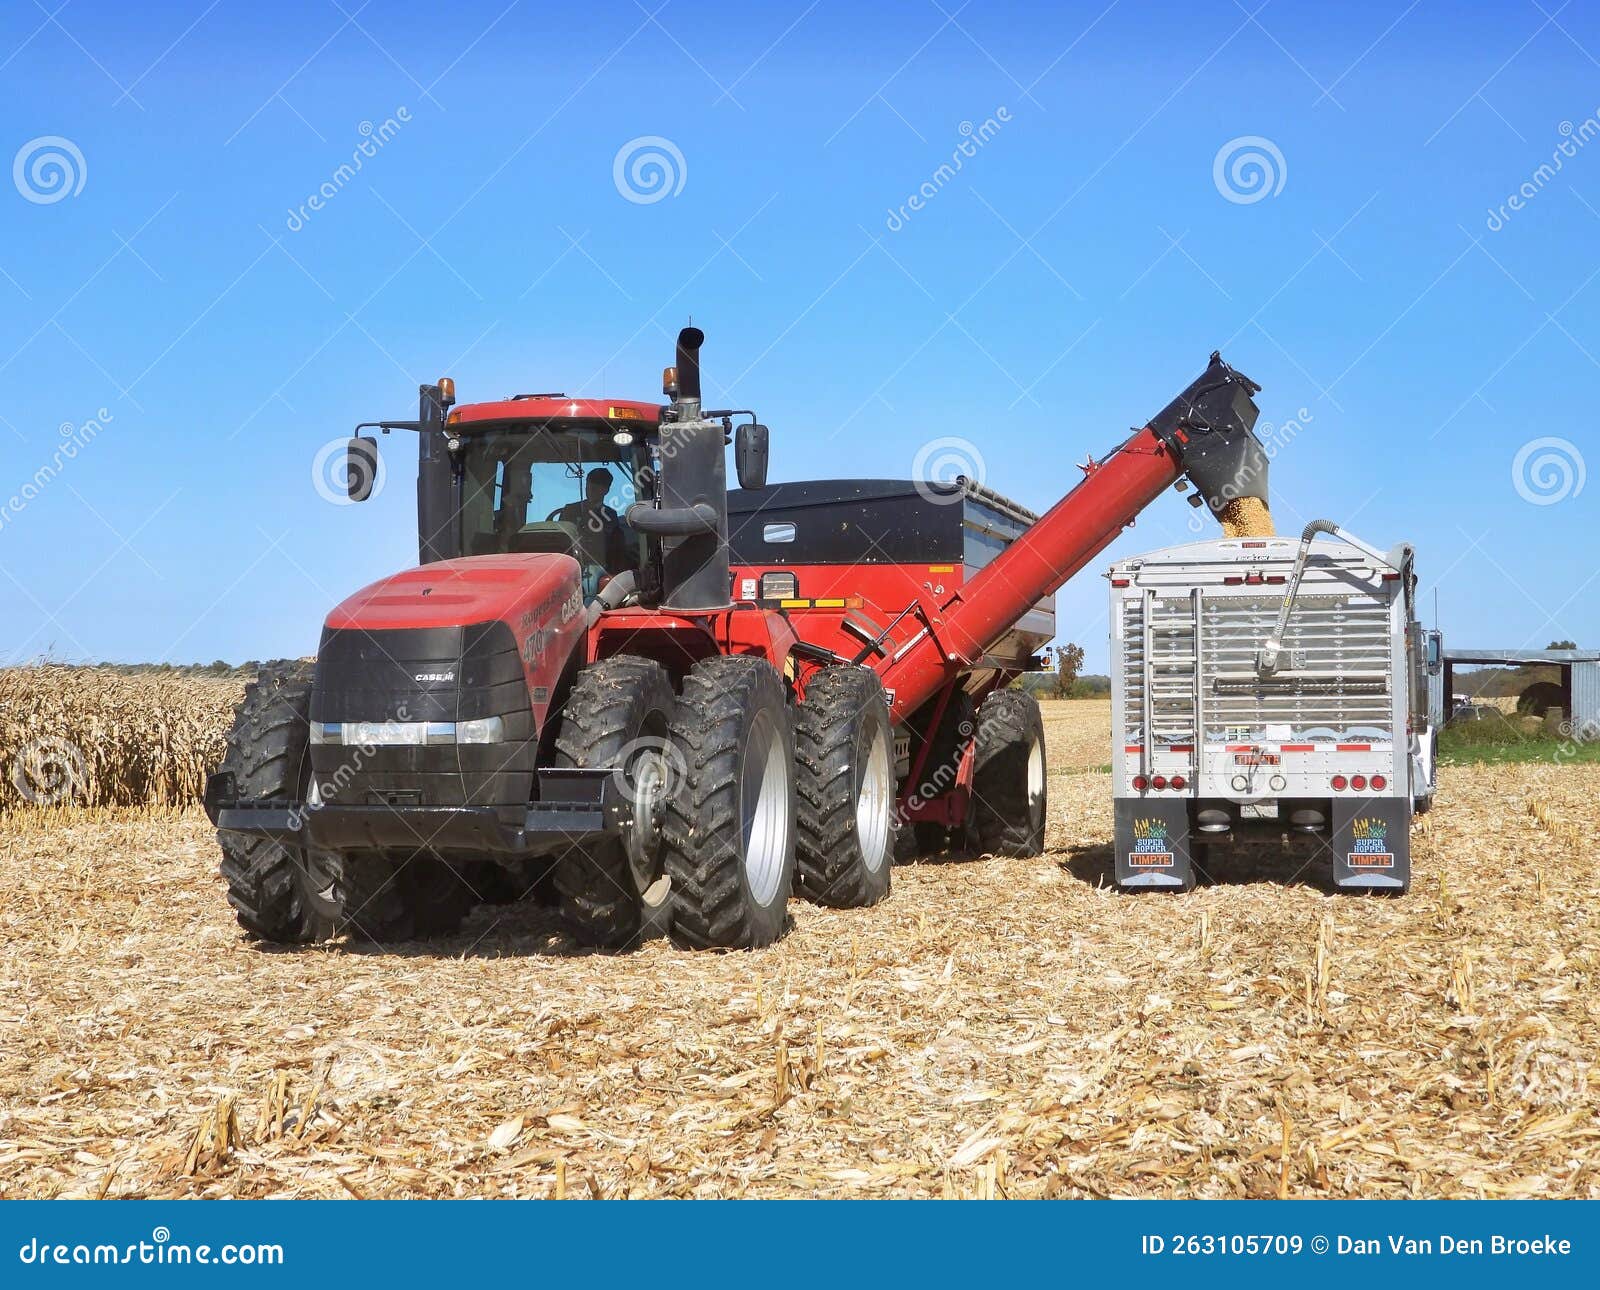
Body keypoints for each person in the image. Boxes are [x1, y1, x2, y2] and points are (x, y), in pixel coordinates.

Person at [554, 467, 628, 573]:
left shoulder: (610, 515)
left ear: (606, 491)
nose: (589, 491)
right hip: (571, 566)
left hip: (601, 568)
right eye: (588, 487)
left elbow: (617, 550)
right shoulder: (570, 510)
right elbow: (560, 540)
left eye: (594, 489)